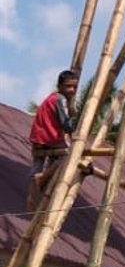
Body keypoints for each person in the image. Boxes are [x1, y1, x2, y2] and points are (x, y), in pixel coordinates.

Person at [27, 69, 79, 211]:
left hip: (38, 138)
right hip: (50, 137)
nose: (72, 90)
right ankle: (43, 177)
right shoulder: (60, 99)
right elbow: (65, 122)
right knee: (67, 156)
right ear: (60, 86)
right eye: (68, 86)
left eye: (74, 87)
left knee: (37, 164)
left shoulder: (50, 98)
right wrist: (73, 133)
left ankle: (30, 197)